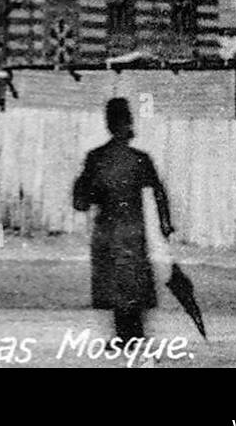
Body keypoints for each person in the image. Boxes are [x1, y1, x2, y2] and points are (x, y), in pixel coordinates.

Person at [72, 97, 174, 344]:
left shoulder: (96, 157)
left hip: (107, 229)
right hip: (131, 229)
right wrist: (165, 223)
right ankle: (133, 334)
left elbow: (81, 201)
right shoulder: (139, 158)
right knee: (133, 281)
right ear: (127, 123)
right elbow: (159, 191)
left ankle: (125, 334)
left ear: (108, 124)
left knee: (116, 283)